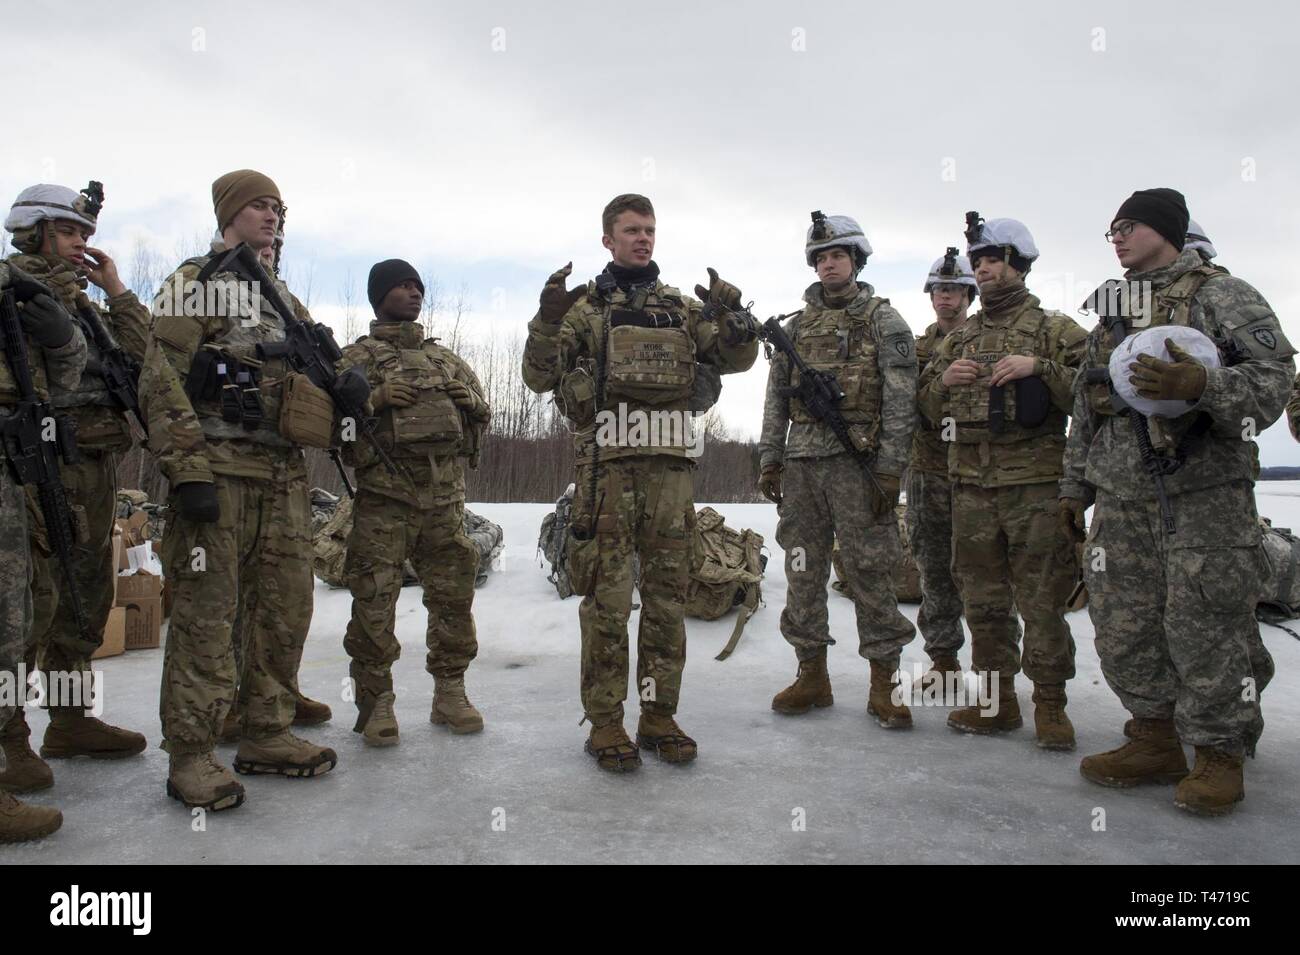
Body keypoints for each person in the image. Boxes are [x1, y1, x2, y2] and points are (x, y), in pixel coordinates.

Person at [141, 169, 369, 810]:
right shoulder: (198, 284)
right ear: (229, 214)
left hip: (284, 475)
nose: (270, 217)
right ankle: (191, 754)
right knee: (207, 615)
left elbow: (317, 368)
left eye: (277, 208)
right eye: (258, 207)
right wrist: (186, 471)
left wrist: (346, 388)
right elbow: (158, 378)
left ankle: (264, 728)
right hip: (218, 469)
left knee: (285, 607)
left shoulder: (281, 299)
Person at [1063, 187, 1294, 815]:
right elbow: (1088, 404)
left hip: (1204, 495)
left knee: (1207, 624)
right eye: (1110, 229)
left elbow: (1274, 382)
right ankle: (1155, 737)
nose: (1116, 237)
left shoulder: (1225, 294)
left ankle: (1220, 753)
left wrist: (1205, 384)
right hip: (1121, 495)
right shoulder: (1114, 309)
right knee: (1123, 622)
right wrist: (1072, 487)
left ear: (1167, 229)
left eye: (1128, 226)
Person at [521, 193, 758, 771]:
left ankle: (658, 716)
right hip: (608, 471)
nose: (643, 238)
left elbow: (739, 359)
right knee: (606, 600)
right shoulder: (586, 310)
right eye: (631, 230)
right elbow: (537, 376)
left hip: (671, 472)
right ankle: (606, 723)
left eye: (649, 229)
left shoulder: (680, 308)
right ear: (608, 239)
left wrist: (735, 322)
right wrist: (547, 320)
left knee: (667, 599)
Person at [917, 214, 1087, 749]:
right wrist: (943, 382)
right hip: (969, 484)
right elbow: (922, 401)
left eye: (992, 260)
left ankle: (1051, 707)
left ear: (1018, 264)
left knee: (1041, 600)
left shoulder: (1054, 330)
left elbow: (1097, 393)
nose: (982, 269)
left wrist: (1041, 368)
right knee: (982, 601)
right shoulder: (961, 337)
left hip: (1034, 484)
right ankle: (997, 702)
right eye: (978, 262)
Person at [1, 183, 149, 792]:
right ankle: (12, 739)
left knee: (86, 601)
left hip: (92, 465)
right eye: (68, 232)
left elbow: (143, 363)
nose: (80, 244)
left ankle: (70, 720)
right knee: (28, 605)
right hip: (32, 466)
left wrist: (115, 290)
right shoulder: (14, 289)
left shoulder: (84, 303)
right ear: (34, 231)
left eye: (85, 235)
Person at [759, 213, 918, 727]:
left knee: (870, 568)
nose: (829, 265)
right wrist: (770, 458)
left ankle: (884, 682)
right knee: (803, 568)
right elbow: (774, 402)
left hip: (860, 463)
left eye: (838, 257)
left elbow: (901, 400)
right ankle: (812, 675)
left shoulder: (883, 320)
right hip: (803, 466)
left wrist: (891, 469)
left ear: (856, 261)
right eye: (822, 258)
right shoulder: (795, 329)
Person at [338, 258, 490, 746]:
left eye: (417, 286)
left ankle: (450, 691)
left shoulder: (445, 359)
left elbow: (482, 417)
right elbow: (331, 432)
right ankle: (377, 701)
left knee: (452, 599)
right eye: (402, 286)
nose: (413, 293)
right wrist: (375, 400)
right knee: (375, 601)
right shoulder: (354, 359)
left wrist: (470, 403)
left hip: (445, 503)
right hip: (385, 501)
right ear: (378, 295)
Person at [0, 259, 87, 840]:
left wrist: (62, 337)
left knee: (21, 615)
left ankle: (20, 741)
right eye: (71, 230)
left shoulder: (31, 298)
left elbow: (64, 384)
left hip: (18, 454)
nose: (82, 243)